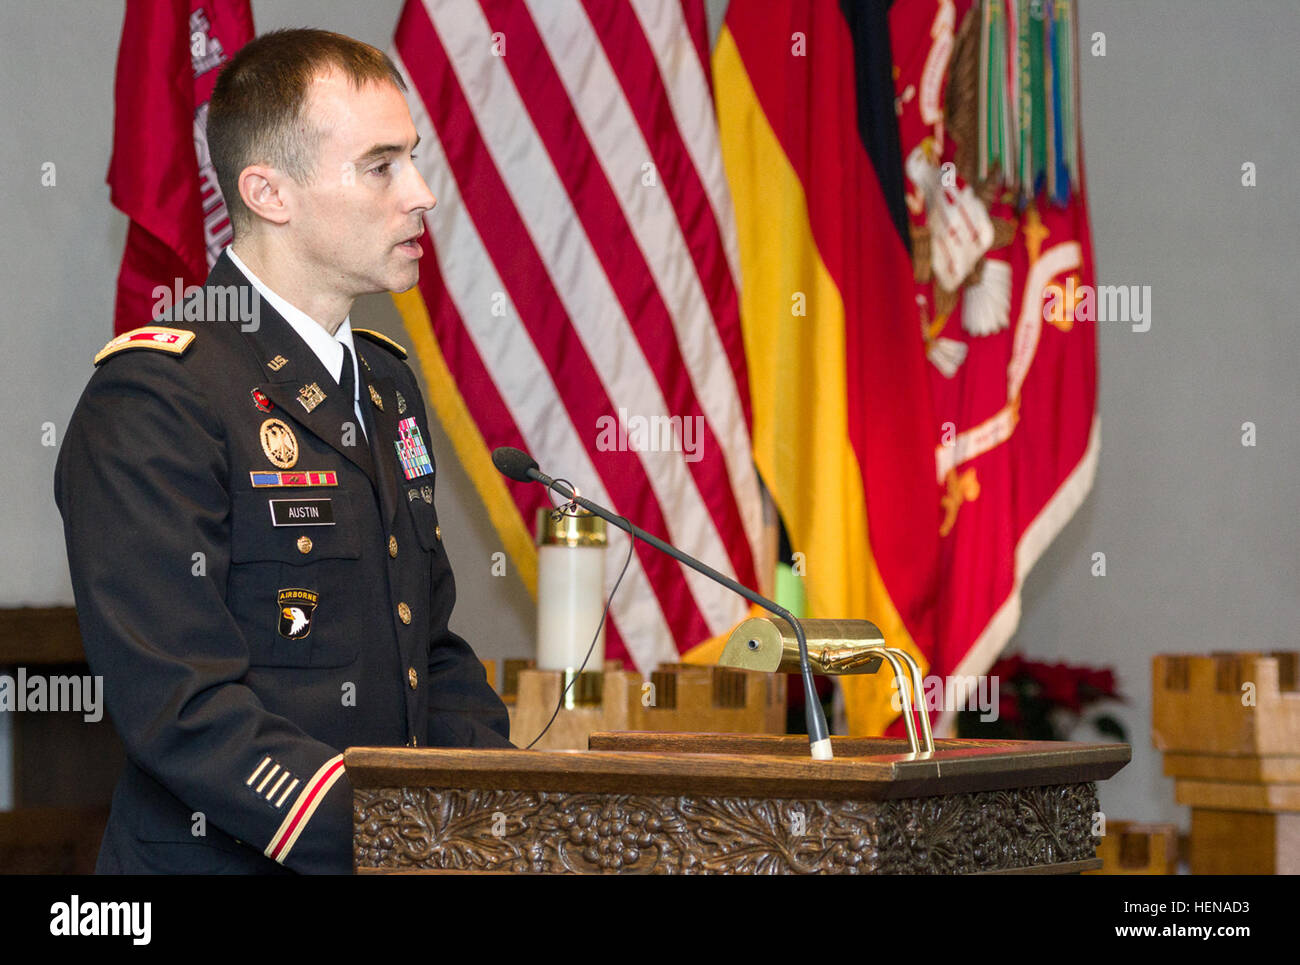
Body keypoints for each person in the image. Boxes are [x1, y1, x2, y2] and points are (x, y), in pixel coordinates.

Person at [55, 29, 512, 875]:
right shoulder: (159, 396)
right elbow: (183, 708)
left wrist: (504, 814)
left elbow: (432, 648)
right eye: (381, 166)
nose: (422, 194)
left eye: (412, 158)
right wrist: (403, 836)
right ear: (269, 191)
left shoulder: (382, 383)